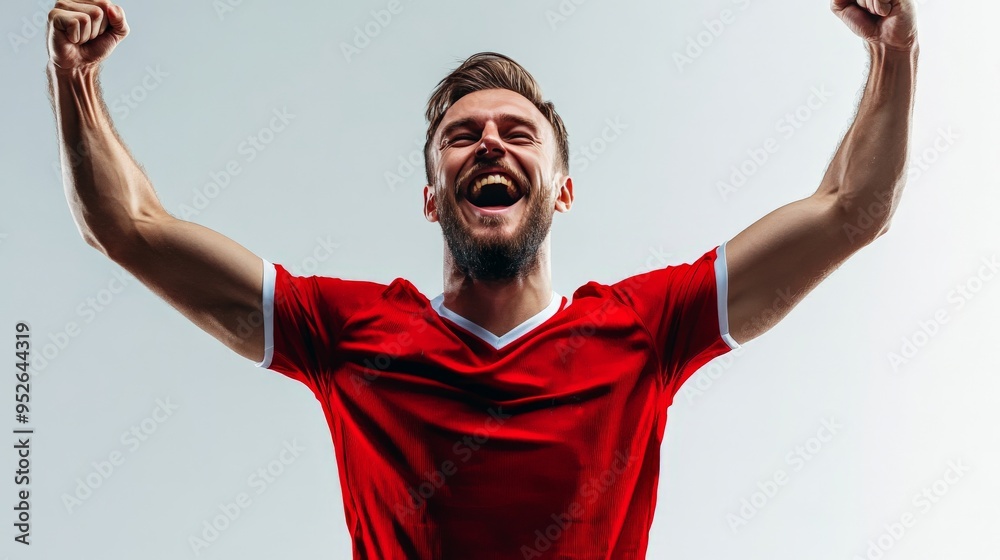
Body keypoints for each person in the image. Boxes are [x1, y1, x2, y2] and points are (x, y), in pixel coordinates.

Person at [46, 0, 918, 557]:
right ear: (433, 198)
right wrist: (74, 79)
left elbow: (852, 208)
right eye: (464, 136)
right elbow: (128, 227)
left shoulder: (646, 329)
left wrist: (895, 52)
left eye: (518, 132)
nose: (491, 143)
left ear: (564, 190)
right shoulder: (347, 334)